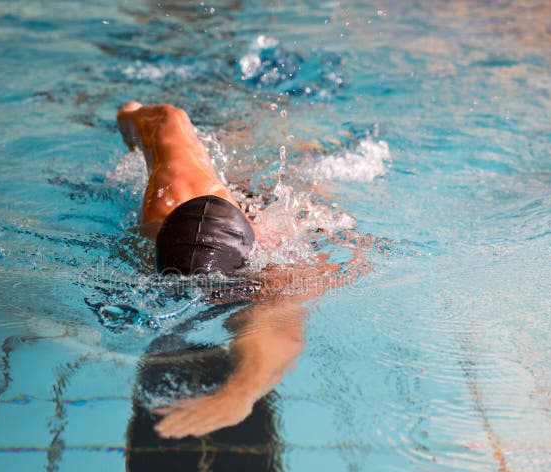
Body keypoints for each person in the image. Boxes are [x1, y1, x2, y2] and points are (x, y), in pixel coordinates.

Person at [116, 101, 367, 439]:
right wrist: (127, 120)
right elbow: (163, 116)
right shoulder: (167, 193)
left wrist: (240, 395)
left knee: (315, 185)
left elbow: (281, 333)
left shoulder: (279, 258)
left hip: (286, 220)